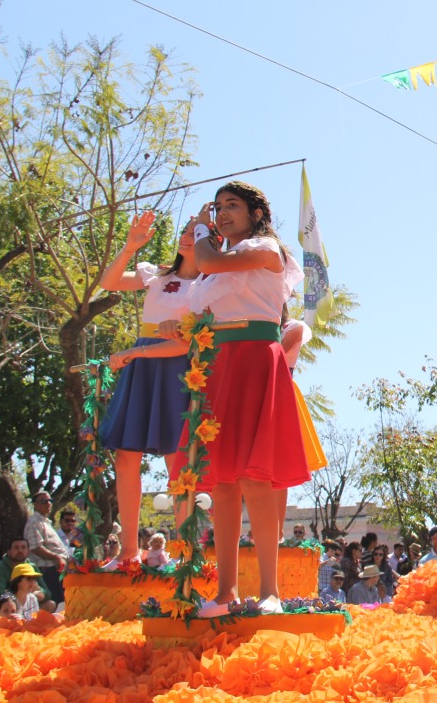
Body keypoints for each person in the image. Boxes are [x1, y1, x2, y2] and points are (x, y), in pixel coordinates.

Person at [136, 182, 315, 618]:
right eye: (217, 208)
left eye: (232, 206)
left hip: (255, 359)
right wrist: (180, 331)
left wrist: (199, 230)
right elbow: (207, 311)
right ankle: (226, 592)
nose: (222, 214)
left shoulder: (268, 249)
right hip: (217, 364)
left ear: (257, 212)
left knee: (256, 477)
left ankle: (271, 591)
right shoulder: (213, 272)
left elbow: (209, 257)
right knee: (222, 482)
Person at [101, 213, 202, 568]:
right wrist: (131, 245)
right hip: (141, 368)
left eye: (197, 233)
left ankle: (185, 555)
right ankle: (128, 552)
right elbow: (109, 282)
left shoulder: (210, 286)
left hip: (177, 372)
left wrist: (134, 352)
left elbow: (185, 345)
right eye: (186, 230)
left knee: (178, 462)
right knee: (125, 454)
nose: (187, 237)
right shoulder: (158, 274)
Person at [0, 538, 54, 612]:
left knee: (50, 604)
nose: (20, 550)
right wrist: (21, 593)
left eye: (23, 547)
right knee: (9, 607)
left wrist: (39, 593)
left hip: (26, 601)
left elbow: (47, 593)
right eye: (16, 547)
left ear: (28, 551)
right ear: (9, 552)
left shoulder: (32, 567)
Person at [23, 492, 67, 605]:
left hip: (57, 569)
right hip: (47, 570)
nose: (48, 503)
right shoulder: (34, 522)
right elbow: (35, 547)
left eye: (50, 501)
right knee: (57, 603)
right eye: (44, 501)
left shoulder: (46, 522)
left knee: (63, 603)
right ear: (35, 504)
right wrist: (56, 557)